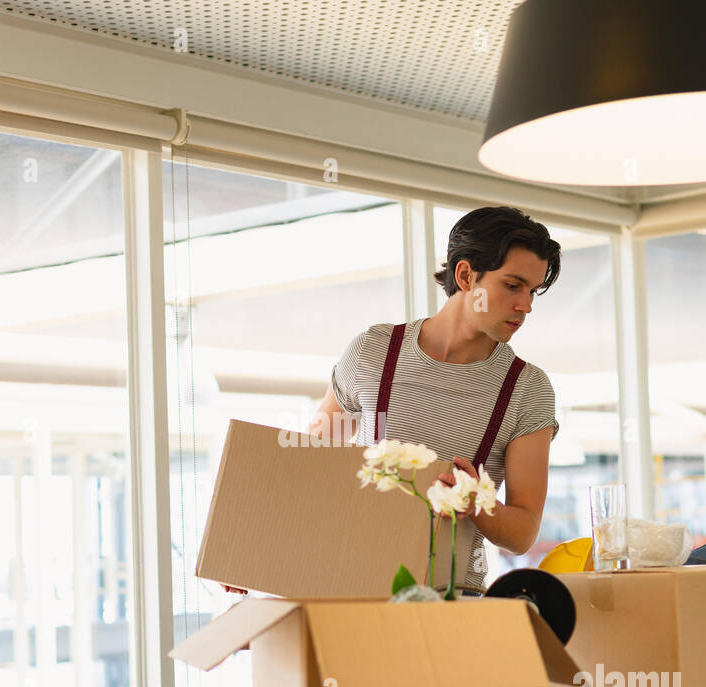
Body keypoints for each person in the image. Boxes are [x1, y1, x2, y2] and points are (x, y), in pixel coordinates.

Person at [224, 205, 561, 595]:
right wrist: (245, 550)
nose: (527, 306)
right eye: (513, 285)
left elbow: (522, 532)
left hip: (452, 604)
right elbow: (311, 467)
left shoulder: (527, 388)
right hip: (349, 586)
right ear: (466, 275)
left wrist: (478, 503)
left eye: (533, 291)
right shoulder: (374, 351)